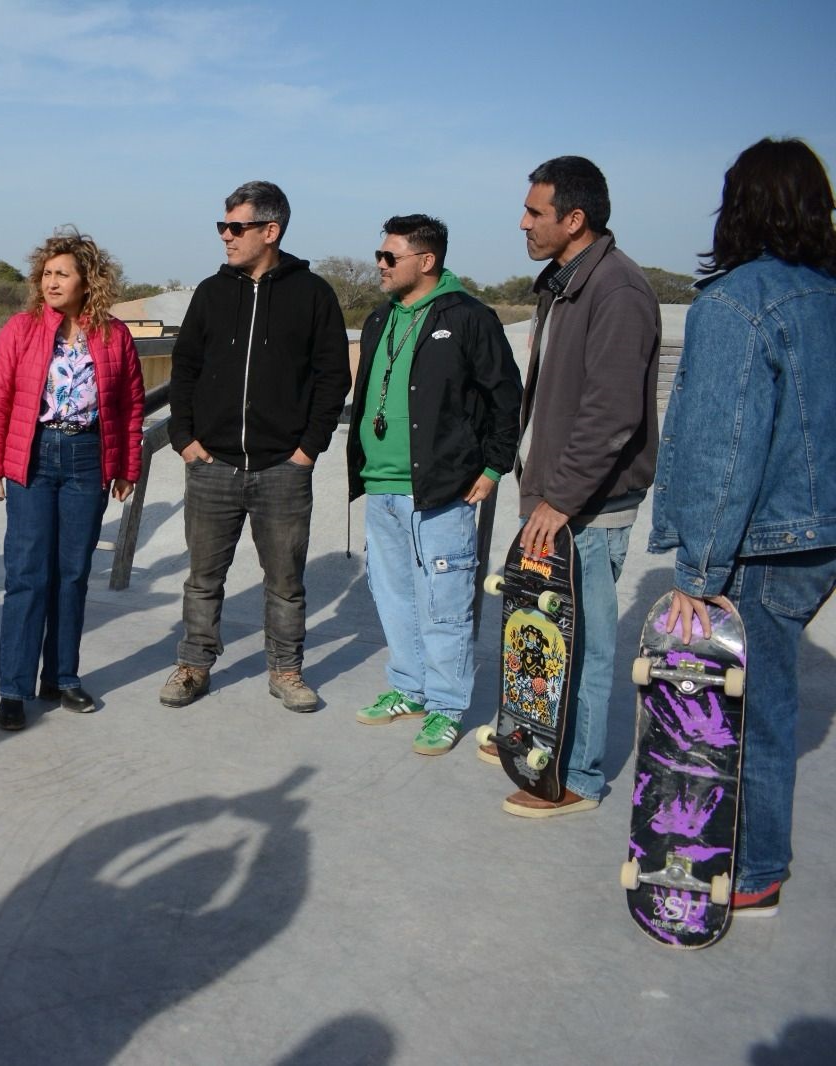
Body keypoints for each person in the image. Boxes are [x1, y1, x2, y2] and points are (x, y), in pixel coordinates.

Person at [649, 138, 836, 915]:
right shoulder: (826, 294)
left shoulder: (736, 303)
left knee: (750, 704)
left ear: (738, 207)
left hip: (765, 538)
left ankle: (755, 868)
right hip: (819, 531)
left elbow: (725, 448)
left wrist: (698, 573)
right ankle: (753, 853)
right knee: (770, 692)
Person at [502, 155, 660, 816]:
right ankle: (539, 747)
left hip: (585, 508)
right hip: (555, 500)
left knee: (586, 647)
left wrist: (562, 499)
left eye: (535, 212)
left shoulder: (617, 290)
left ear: (575, 218)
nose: (523, 223)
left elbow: (610, 414)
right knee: (545, 639)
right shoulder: (564, 284)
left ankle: (580, 778)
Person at [161, 181, 350, 712]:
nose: (225, 236)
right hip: (212, 464)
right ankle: (194, 665)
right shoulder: (210, 292)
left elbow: (332, 377)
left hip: (283, 469)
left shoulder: (313, 294)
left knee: (286, 583)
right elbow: (184, 368)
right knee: (203, 580)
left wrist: (307, 449)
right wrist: (184, 439)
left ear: (271, 230)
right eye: (222, 226)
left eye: (235, 227)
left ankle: (286, 671)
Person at [348, 214, 522, 755]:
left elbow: (505, 397)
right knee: (395, 598)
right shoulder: (381, 317)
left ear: (426, 261)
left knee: (443, 605)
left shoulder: (469, 317)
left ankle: (446, 707)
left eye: (389, 257)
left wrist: (493, 468)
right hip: (381, 487)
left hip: (442, 490)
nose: (380, 264)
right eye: (379, 255)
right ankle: (409, 688)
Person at [0, 229, 145, 731]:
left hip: (88, 459)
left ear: (87, 281)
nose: (51, 282)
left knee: (72, 575)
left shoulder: (115, 336)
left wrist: (128, 466)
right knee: (27, 575)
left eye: (62, 274)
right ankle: (13, 689)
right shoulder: (21, 329)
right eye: (46, 273)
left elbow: (131, 406)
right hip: (33, 456)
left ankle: (61, 677)